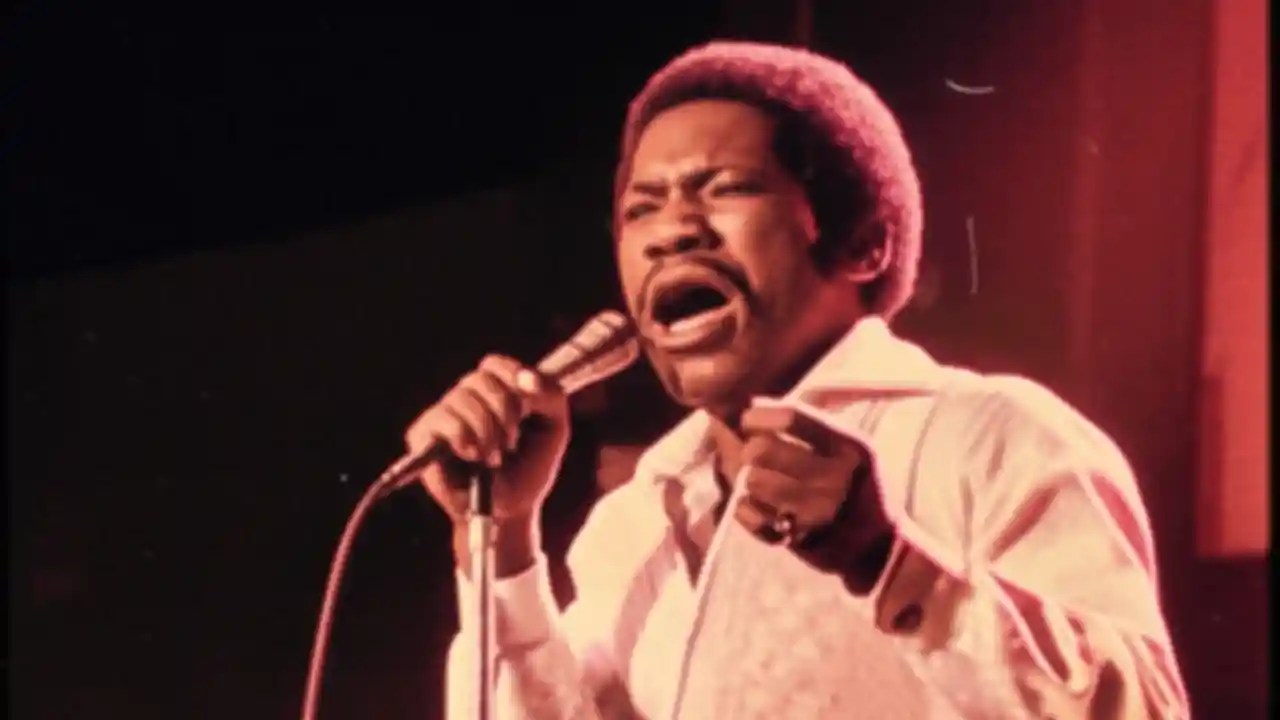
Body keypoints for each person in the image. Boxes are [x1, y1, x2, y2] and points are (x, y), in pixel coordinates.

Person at [404, 41, 1189, 719]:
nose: (673, 230)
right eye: (643, 209)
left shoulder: (990, 437)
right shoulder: (636, 520)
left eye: (728, 189)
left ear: (864, 244)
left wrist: (884, 560)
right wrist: (502, 542)